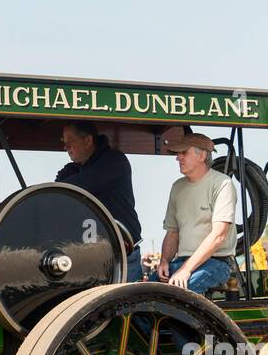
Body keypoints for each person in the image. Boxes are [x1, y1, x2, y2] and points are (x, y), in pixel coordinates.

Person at [56, 122, 143, 280]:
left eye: (70, 141)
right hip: (89, 258)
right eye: (64, 142)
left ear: (88, 141)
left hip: (122, 257)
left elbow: (78, 186)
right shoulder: (71, 170)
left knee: (126, 304)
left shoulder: (114, 161)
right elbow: (57, 194)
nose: (66, 147)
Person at [158, 133, 237, 296]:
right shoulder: (177, 187)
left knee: (174, 296)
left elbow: (219, 236)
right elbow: (172, 232)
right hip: (181, 262)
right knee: (141, 293)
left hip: (216, 263)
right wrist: (164, 261)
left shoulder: (222, 184)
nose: (178, 158)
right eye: (177, 153)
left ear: (202, 156)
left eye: (184, 153)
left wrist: (185, 270)